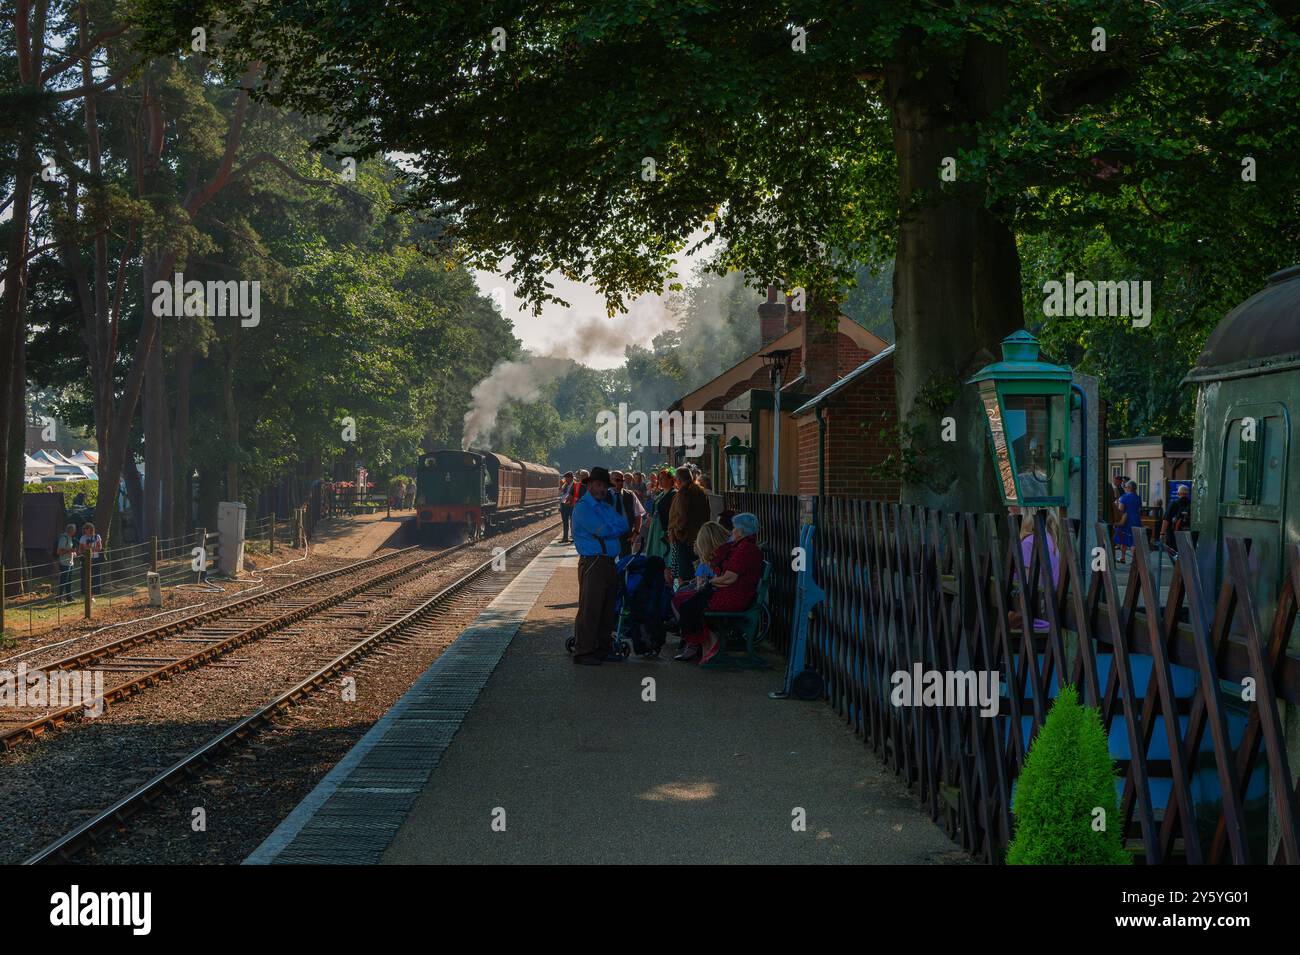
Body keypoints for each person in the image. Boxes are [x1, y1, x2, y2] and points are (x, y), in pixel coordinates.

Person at [674, 513, 765, 664]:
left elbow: (729, 579)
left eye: (735, 528)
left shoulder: (745, 550)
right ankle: (704, 643)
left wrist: (711, 582)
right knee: (691, 602)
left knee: (690, 604)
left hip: (734, 598)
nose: (732, 531)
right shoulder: (743, 547)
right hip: (737, 594)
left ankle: (709, 641)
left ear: (741, 531)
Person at [570, 466, 630, 666]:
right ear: (589, 486)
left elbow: (623, 525)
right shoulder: (583, 508)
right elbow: (603, 529)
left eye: (604, 485)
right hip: (593, 561)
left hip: (607, 561)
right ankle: (584, 650)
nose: (602, 489)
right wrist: (610, 530)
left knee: (606, 608)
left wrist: (609, 530)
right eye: (598, 484)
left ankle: (602, 648)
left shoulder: (604, 506)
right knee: (590, 607)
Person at [1008, 508, 1063, 632]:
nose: (1009, 509)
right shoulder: (1050, 539)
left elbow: (1028, 596)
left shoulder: (1028, 544)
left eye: (1014, 505)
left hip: (1032, 624)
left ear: (1026, 513)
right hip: (1048, 621)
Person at [667, 466, 711, 586]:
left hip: (685, 538)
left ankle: (685, 596)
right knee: (694, 569)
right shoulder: (701, 491)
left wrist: (676, 531)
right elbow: (707, 513)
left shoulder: (684, 492)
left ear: (678, 480)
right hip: (698, 536)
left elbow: (682, 515)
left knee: (684, 573)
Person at [609, 470, 645, 556]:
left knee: (625, 563)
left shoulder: (630, 495)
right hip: (609, 535)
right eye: (617, 480)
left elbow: (638, 515)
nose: (621, 483)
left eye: (622, 480)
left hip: (626, 535)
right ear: (610, 481)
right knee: (608, 564)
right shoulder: (603, 496)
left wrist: (636, 533)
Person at [1113, 480, 1142, 564]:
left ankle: (1123, 558)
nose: (1125, 488)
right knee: (1134, 540)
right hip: (1136, 520)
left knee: (1123, 538)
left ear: (1129, 488)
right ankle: (1134, 560)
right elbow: (1139, 510)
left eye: (1125, 487)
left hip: (1126, 520)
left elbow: (1120, 510)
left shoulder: (1124, 497)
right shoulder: (1138, 498)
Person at [1160, 484, 1192, 558]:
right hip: (1187, 534)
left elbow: (1166, 520)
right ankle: (1183, 568)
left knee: (1174, 555)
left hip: (1173, 534)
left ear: (1178, 494)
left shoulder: (1173, 504)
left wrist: (1162, 533)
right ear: (1187, 494)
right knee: (1185, 555)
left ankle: (1178, 568)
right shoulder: (1191, 504)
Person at [79, 521, 104, 595]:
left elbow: (99, 548)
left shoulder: (97, 536)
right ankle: (85, 592)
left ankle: (96, 592)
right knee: (85, 576)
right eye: (85, 528)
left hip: (95, 558)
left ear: (91, 529)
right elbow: (80, 550)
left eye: (87, 528)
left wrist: (90, 548)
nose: (85, 530)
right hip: (86, 559)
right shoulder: (83, 537)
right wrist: (87, 549)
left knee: (96, 576)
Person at [56, 523, 78, 602]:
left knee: (69, 581)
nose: (75, 532)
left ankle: (69, 597)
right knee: (63, 580)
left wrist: (73, 553)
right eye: (74, 530)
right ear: (71, 530)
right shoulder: (64, 538)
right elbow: (59, 551)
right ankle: (59, 597)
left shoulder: (70, 538)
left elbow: (69, 549)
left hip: (70, 562)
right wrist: (70, 551)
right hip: (64, 563)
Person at [558, 471, 578, 543]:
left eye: (566, 478)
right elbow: (560, 492)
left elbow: (576, 495)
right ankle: (565, 538)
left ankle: (573, 537)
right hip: (564, 504)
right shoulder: (565, 484)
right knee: (565, 522)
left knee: (572, 522)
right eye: (565, 478)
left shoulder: (575, 485)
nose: (565, 479)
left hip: (571, 505)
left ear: (571, 478)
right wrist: (560, 485)